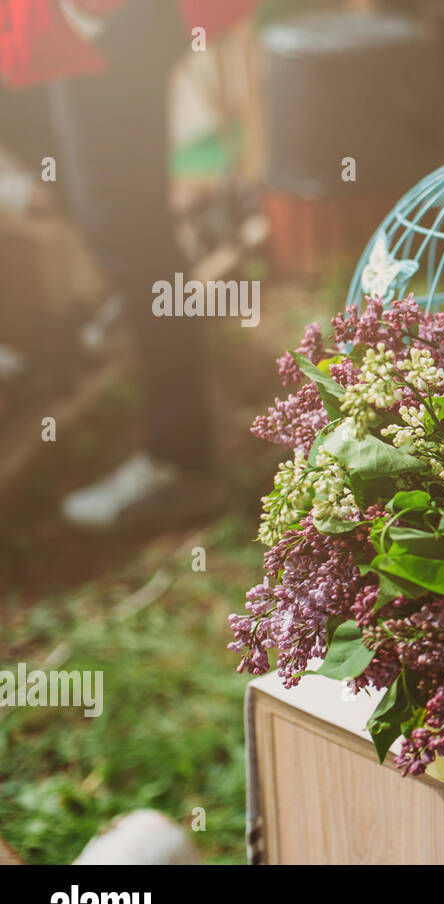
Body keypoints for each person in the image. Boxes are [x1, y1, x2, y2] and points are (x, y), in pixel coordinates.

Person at [0, 0, 258, 529]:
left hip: (104, 23)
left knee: (136, 242)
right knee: (107, 212)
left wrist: (85, 17)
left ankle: (182, 463)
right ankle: (136, 299)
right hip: (69, 28)